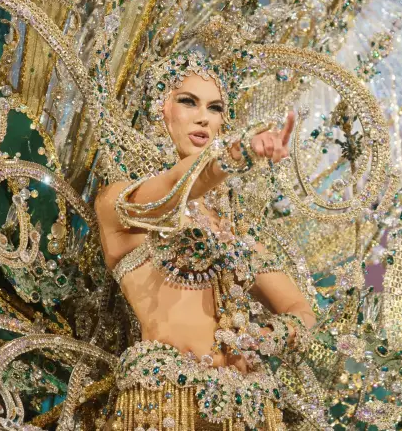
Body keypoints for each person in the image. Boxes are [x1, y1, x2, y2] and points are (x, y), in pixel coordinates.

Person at [93, 53, 316, 430]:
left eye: (214, 108)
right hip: (167, 403)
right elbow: (180, 185)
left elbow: (299, 307)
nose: (203, 117)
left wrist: (269, 336)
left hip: (249, 408)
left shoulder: (234, 224)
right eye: (188, 101)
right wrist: (234, 155)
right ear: (158, 110)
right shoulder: (121, 202)